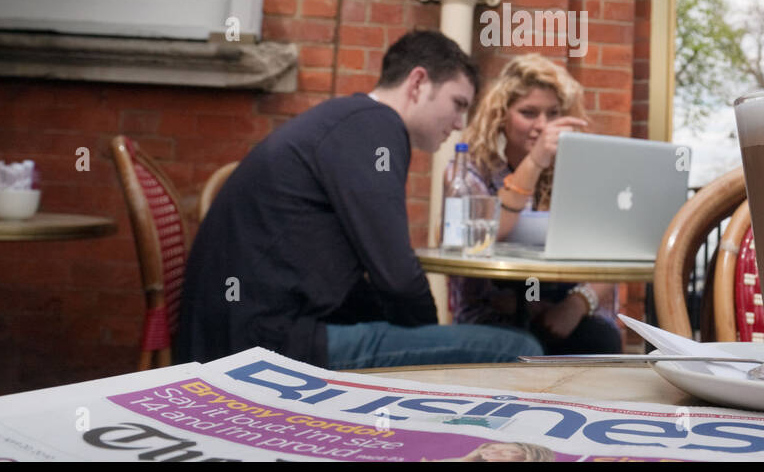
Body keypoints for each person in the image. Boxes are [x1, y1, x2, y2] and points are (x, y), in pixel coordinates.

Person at [176, 30, 543, 369]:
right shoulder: (376, 130)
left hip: (236, 334)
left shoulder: (350, 122)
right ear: (418, 82)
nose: (460, 123)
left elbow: (370, 284)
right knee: (519, 350)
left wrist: (421, 336)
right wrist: (429, 344)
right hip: (265, 344)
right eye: (458, 103)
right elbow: (396, 276)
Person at [448, 55, 622, 355]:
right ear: (501, 116)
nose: (543, 126)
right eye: (528, 113)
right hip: (493, 312)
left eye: (553, 114)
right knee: (525, 346)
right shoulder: (470, 168)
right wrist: (536, 162)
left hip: (563, 304)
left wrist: (577, 304)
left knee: (602, 340)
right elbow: (485, 234)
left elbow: (612, 249)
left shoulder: (578, 169)